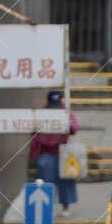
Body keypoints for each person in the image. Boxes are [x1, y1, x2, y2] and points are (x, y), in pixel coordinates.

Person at [30, 89, 80, 217]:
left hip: (63, 151)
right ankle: (48, 208)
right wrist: (34, 154)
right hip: (46, 152)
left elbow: (75, 128)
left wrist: (69, 124)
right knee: (46, 181)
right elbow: (34, 135)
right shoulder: (41, 114)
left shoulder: (66, 112)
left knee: (66, 180)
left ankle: (66, 206)